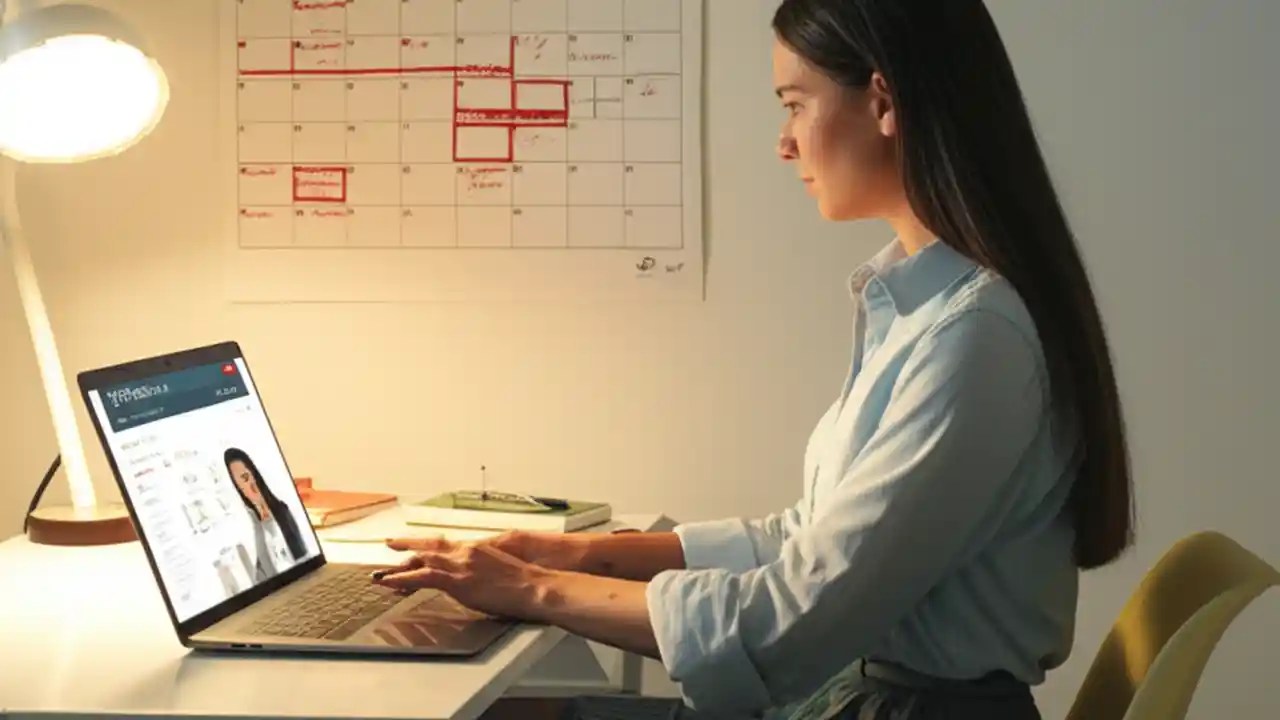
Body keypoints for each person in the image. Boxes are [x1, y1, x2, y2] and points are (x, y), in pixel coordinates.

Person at [371, 1, 1134, 718]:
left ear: (882, 101)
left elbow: (791, 622)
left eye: (794, 103)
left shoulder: (975, 341)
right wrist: (580, 555)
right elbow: (808, 539)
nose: (784, 141)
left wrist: (533, 588)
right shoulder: (925, 311)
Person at [224, 447, 308, 581]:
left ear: (254, 475)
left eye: (246, 478)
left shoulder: (282, 510)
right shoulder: (248, 529)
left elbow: (303, 557)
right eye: (239, 485)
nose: (247, 488)